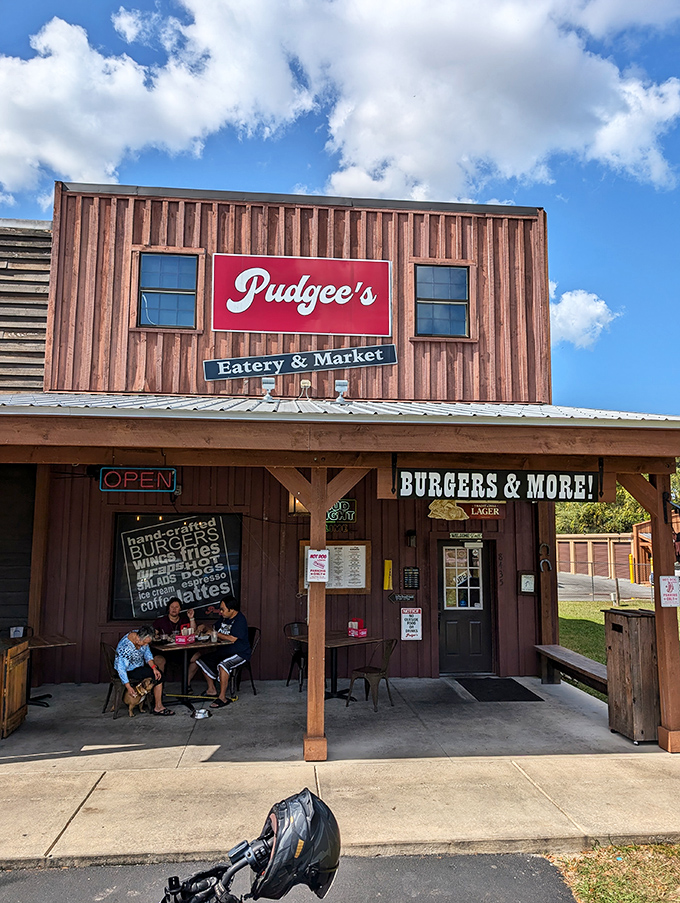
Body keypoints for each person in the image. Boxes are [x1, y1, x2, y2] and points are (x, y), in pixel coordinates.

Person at [194, 599, 251, 708]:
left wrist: (215, 633)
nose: (220, 612)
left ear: (232, 610)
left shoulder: (240, 620)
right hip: (224, 651)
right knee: (202, 660)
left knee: (223, 665)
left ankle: (222, 698)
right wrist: (204, 627)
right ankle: (211, 690)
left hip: (240, 653)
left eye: (222, 609)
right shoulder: (224, 618)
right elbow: (214, 628)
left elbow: (232, 639)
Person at [114, 624, 175, 716]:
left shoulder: (140, 636)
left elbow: (148, 655)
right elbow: (121, 669)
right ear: (138, 639)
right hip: (128, 671)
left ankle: (153, 699)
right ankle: (158, 707)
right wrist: (128, 687)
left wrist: (154, 668)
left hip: (139, 666)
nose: (146, 645)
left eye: (147, 643)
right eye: (145, 643)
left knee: (157, 673)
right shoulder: (126, 648)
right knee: (159, 677)